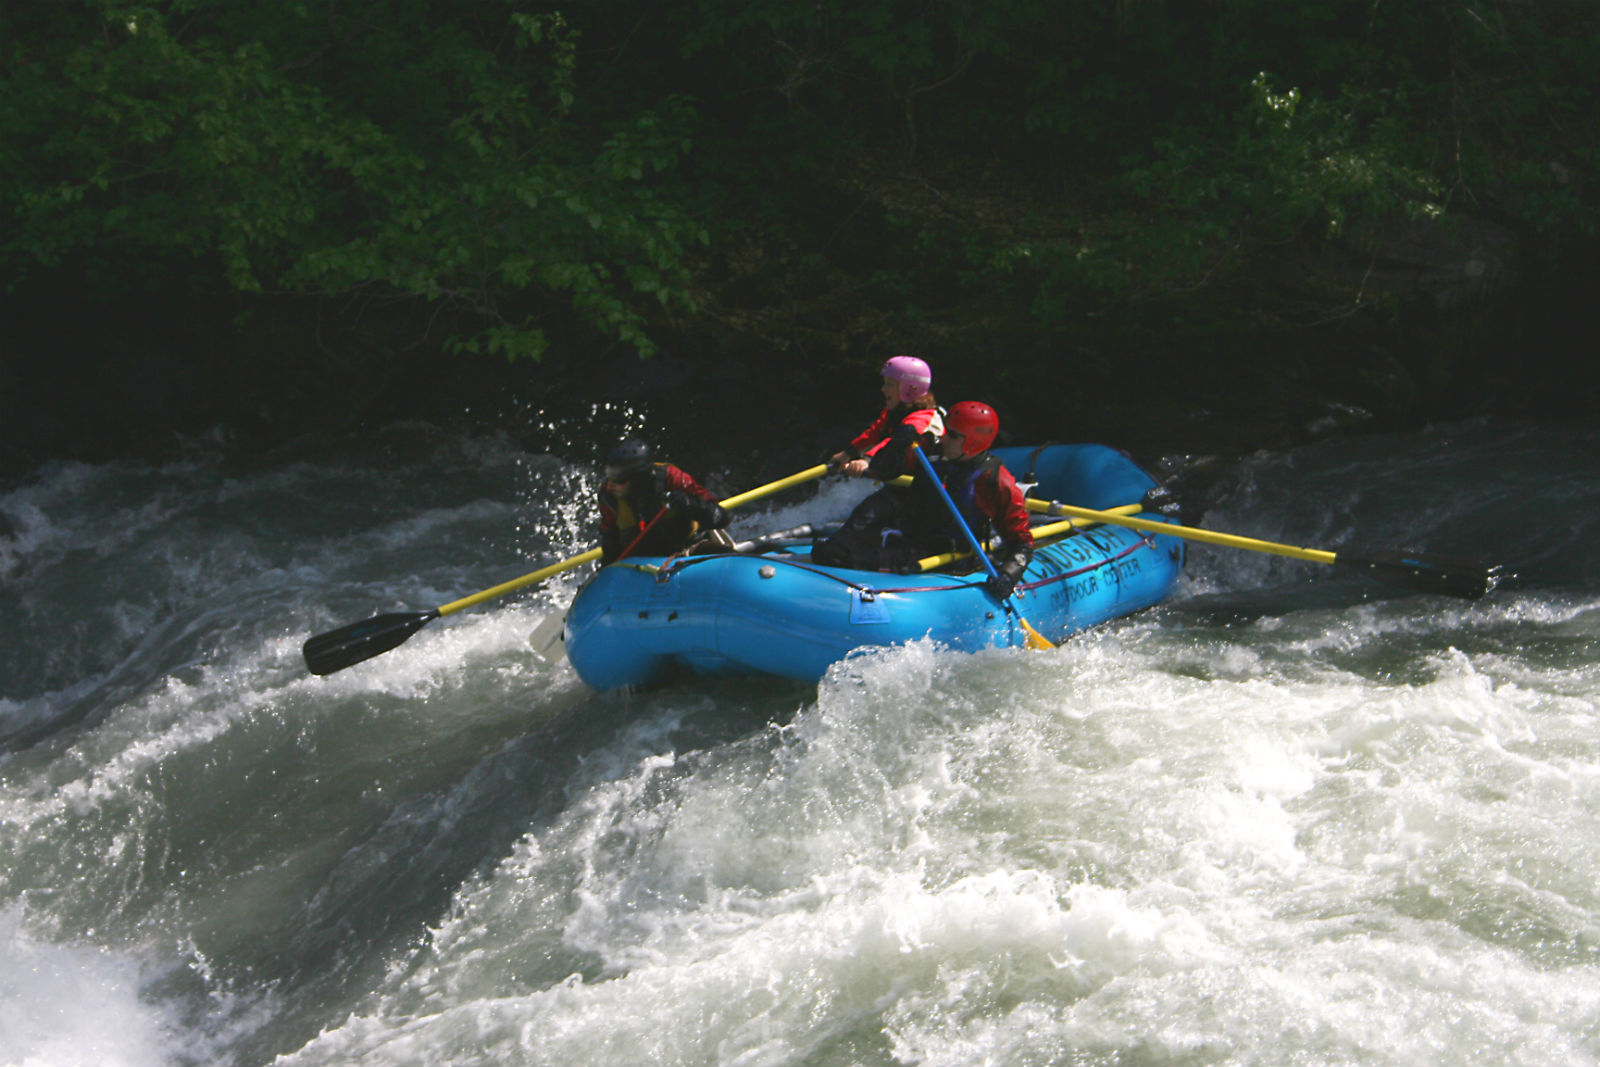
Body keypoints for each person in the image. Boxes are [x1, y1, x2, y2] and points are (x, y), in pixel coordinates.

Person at [813, 402, 1033, 596]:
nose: (944, 438)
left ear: (973, 443)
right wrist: (900, 442)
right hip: (907, 539)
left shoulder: (995, 481)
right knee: (829, 552)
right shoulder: (930, 451)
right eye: (946, 431)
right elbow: (886, 469)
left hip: (945, 557)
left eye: (953, 435)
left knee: (845, 558)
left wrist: (1009, 574)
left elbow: (1021, 544)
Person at [812, 356, 945, 568]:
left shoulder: (923, 419)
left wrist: (867, 461)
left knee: (868, 516)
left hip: (923, 497)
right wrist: (848, 453)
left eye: (889, 384)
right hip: (899, 488)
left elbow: (898, 443)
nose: (884, 389)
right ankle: (835, 551)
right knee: (862, 517)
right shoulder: (898, 410)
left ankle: (845, 555)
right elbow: (876, 431)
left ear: (909, 388)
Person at [597, 438, 729, 563]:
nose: (610, 485)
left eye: (618, 479)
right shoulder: (609, 497)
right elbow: (610, 546)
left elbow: (721, 517)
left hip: (688, 552)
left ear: (637, 479)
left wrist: (690, 504)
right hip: (643, 565)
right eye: (609, 476)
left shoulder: (673, 478)